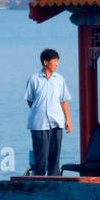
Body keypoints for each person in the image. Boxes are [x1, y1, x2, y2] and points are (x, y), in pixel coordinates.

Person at [25, 48, 72, 176]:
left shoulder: (59, 79)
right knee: (41, 157)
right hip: (39, 124)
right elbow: (29, 100)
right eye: (55, 61)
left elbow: (64, 100)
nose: (57, 64)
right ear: (46, 62)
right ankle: (39, 181)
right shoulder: (34, 79)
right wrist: (38, 111)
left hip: (57, 122)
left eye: (58, 61)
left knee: (55, 156)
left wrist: (68, 120)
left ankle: (54, 180)